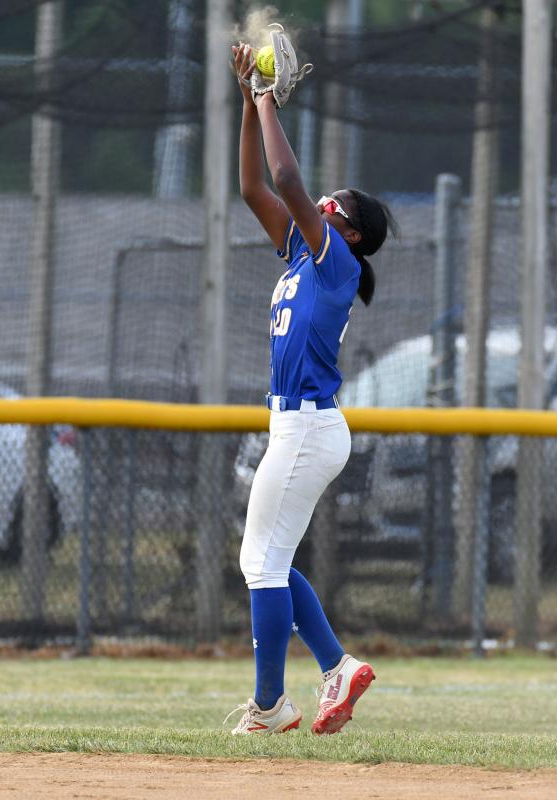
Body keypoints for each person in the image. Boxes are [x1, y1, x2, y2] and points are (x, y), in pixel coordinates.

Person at [226, 42, 398, 736]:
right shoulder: (305, 248)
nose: (323, 201)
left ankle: (271, 705)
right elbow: (253, 189)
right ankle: (337, 667)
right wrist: (247, 100)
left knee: (260, 563)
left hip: (308, 427)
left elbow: (287, 177)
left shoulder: (336, 260)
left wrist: (268, 96)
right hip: (296, 428)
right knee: (267, 559)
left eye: (337, 204)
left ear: (349, 230)